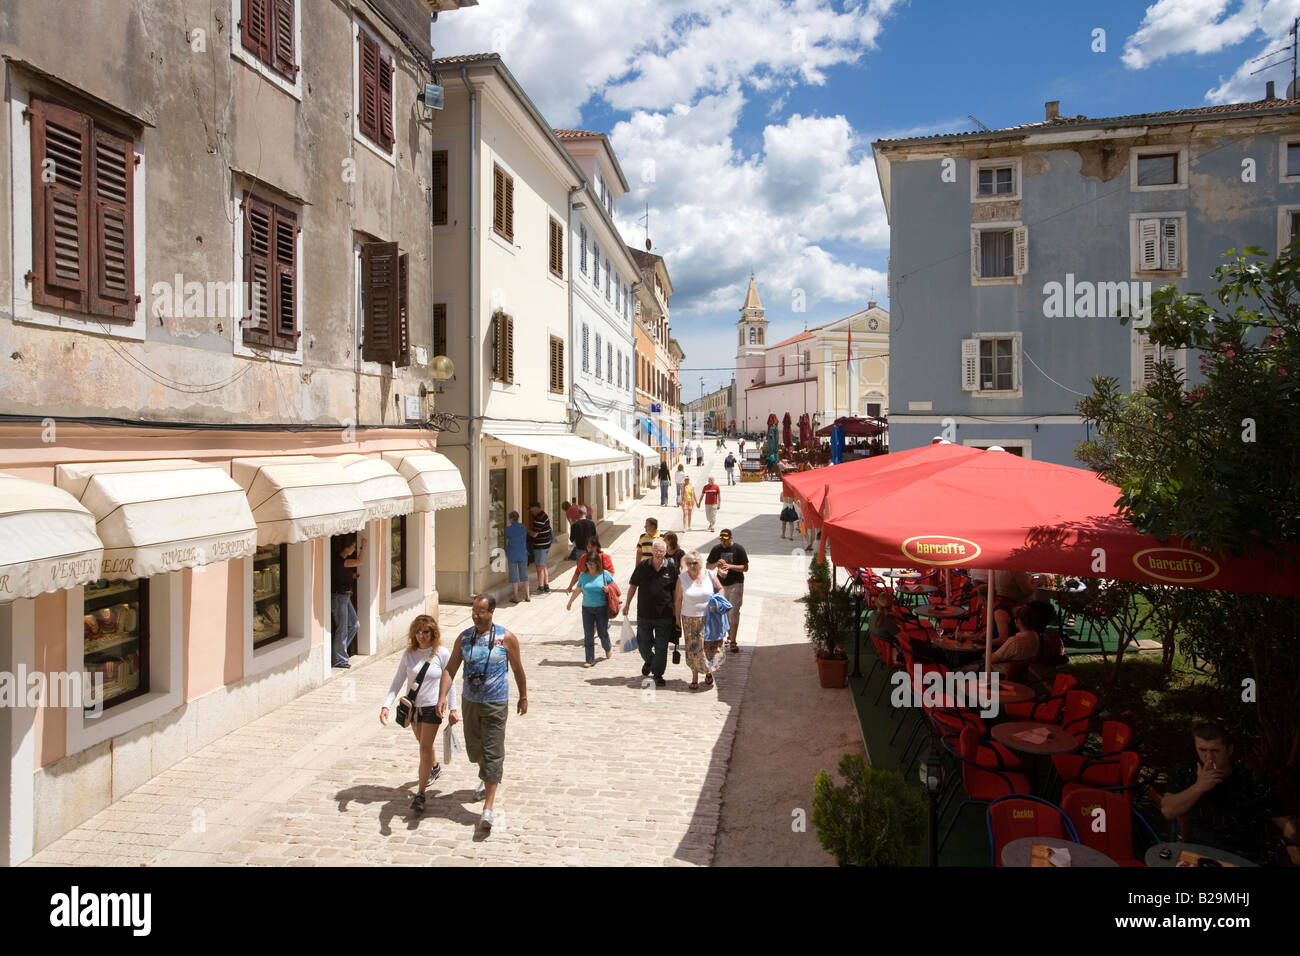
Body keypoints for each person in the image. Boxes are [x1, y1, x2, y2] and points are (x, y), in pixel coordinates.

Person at [437, 594, 528, 833]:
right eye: (474, 611)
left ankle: (487, 808)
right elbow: (450, 668)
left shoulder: (506, 638)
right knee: (474, 749)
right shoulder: (464, 637)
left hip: (496, 703)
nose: (476, 616)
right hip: (471, 702)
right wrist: (442, 696)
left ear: (492, 612)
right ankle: (485, 773)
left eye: (481, 611)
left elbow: (518, 669)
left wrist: (524, 696)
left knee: (493, 751)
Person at [1161, 724, 1298, 865]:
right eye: (1202, 750)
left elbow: (1283, 820)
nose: (1209, 757)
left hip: (1245, 857)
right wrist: (1199, 787)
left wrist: (1291, 843)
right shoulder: (1186, 772)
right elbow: (1168, 811)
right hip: (1201, 854)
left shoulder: (1251, 780)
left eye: (1215, 751)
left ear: (1229, 750)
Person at [380, 615, 459, 812]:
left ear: (433, 633)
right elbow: (397, 681)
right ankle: (434, 767)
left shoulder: (441, 653)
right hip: (413, 709)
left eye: (426, 632)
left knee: (424, 748)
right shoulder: (409, 654)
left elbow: (451, 681)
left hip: (434, 707)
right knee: (424, 743)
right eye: (418, 632)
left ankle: (420, 794)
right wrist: (386, 706)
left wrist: (453, 708)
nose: (421, 636)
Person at [623, 539, 678, 687]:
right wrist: (627, 603)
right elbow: (633, 585)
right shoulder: (643, 566)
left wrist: (677, 611)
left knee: (661, 646)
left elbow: (676, 591)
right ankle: (650, 660)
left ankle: (658, 673)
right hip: (644, 613)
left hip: (664, 614)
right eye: (656, 551)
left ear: (665, 552)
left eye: (661, 552)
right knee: (643, 644)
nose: (659, 554)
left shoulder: (671, 567)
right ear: (652, 552)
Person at [675, 551, 721, 690]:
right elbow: (678, 599)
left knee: (707, 647)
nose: (692, 566)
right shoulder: (682, 578)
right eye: (689, 563)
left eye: (695, 563)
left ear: (700, 562)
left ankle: (708, 671)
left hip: (709, 617)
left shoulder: (709, 574)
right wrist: (677, 618)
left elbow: (720, 589)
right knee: (693, 648)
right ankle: (694, 676)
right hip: (689, 618)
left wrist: (717, 601)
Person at [566, 554, 616, 667]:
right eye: (588, 564)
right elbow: (578, 589)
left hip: (601, 608)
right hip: (587, 608)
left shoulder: (604, 574)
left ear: (598, 564)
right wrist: (570, 602)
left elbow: (614, 587)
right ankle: (590, 659)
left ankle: (607, 647)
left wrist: (608, 589)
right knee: (588, 634)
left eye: (593, 564)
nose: (591, 566)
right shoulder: (583, 575)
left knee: (602, 633)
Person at [707, 529, 750, 653]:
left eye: (725, 540)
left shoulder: (739, 549)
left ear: (730, 538)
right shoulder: (716, 549)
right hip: (721, 584)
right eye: (721, 540)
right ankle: (727, 636)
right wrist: (717, 564)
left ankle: (733, 641)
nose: (723, 542)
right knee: (723, 612)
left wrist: (730, 566)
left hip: (736, 583)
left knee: (734, 611)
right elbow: (708, 567)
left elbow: (745, 567)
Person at [331, 534, 364, 668]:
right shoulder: (340, 560)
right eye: (353, 546)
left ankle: (339, 653)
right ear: (347, 547)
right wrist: (364, 547)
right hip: (339, 597)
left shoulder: (344, 560)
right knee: (342, 629)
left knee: (354, 625)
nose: (354, 549)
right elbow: (360, 561)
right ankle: (339, 659)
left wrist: (352, 576)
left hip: (345, 596)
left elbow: (341, 575)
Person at [526, 501, 553, 593]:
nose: (531, 513)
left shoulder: (539, 518)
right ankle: (546, 585)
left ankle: (540, 587)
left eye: (531, 510)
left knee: (539, 568)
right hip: (546, 544)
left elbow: (534, 534)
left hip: (541, 546)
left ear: (535, 508)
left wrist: (527, 531)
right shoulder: (544, 515)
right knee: (543, 566)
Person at [504, 510, 530, 603]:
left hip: (512, 554)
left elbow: (507, 539)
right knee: (524, 575)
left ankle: (516, 597)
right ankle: (527, 596)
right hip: (523, 553)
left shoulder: (508, 529)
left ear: (510, 519)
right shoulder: (523, 527)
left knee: (514, 576)